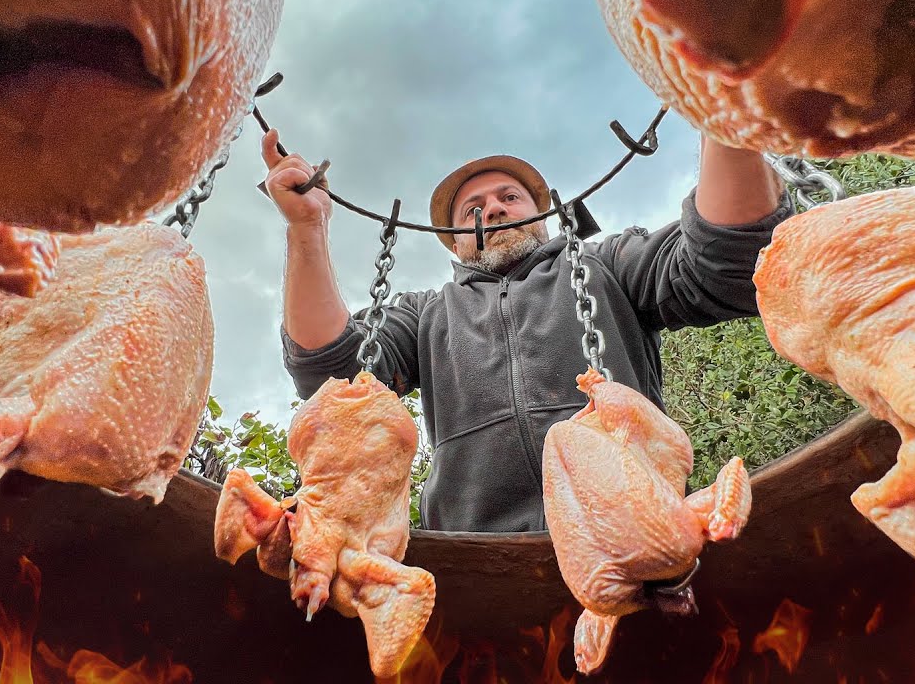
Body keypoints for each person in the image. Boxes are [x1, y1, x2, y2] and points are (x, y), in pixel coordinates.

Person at [260, 127, 792, 533]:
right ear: (452, 240)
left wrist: (719, 111)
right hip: (474, 562)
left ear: (540, 216)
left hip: (637, 533)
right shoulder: (427, 314)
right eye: (474, 207)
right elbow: (331, 375)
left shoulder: (604, 263)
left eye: (509, 197)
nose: (492, 207)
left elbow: (732, 262)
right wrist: (307, 230)